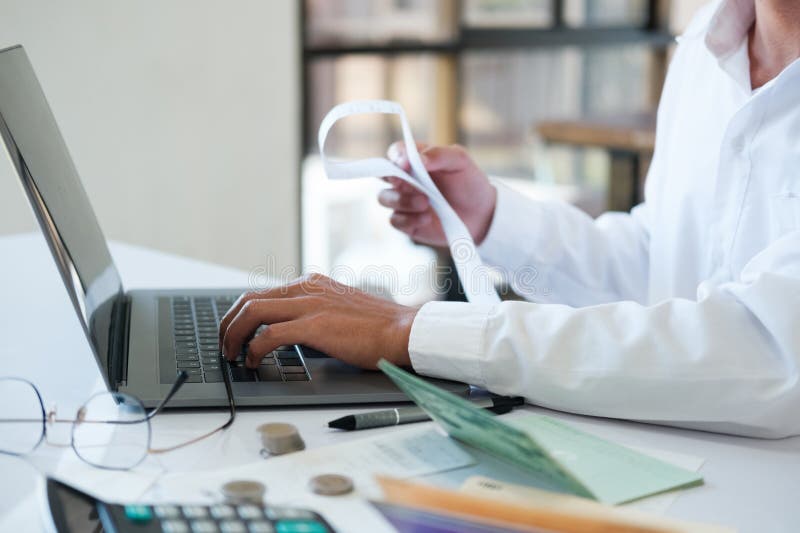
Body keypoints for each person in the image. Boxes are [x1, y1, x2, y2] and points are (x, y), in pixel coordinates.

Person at [220, 0, 800, 438]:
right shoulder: (706, 42)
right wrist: (490, 219)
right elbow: (663, 266)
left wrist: (411, 330)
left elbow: (764, 353)